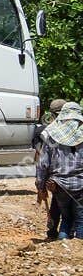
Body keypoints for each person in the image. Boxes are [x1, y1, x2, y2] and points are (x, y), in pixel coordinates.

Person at [35, 101, 83, 241]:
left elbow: (42, 165)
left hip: (59, 186)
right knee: (80, 219)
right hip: (81, 185)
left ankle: (62, 246)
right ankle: (77, 249)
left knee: (66, 218)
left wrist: (40, 186)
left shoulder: (52, 135)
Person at [36, 99, 68, 240]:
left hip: (54, 177)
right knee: (69, 212)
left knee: (56, 204)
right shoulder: (76, 129)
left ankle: (53, 233)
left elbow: (41, 157)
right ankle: (64, 236)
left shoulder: (47, 130)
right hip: (72, 178)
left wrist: (41, 185)